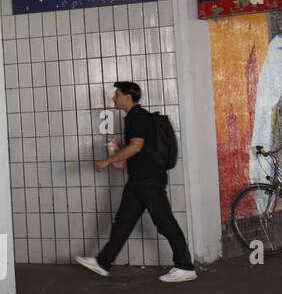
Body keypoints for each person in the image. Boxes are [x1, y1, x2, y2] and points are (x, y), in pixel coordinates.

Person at [75, 81, 197, 282]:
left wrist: (106, 161)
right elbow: (132, 154)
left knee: (164, 222)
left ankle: (185, 266)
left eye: (117, 94)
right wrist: (117, 152)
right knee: (123, 222)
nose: (113, 98)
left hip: (149, 180)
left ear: (128, 96)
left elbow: (136, 147)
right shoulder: (133, 118)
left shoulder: (138, 117)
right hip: (138, 180)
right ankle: (103, 262)